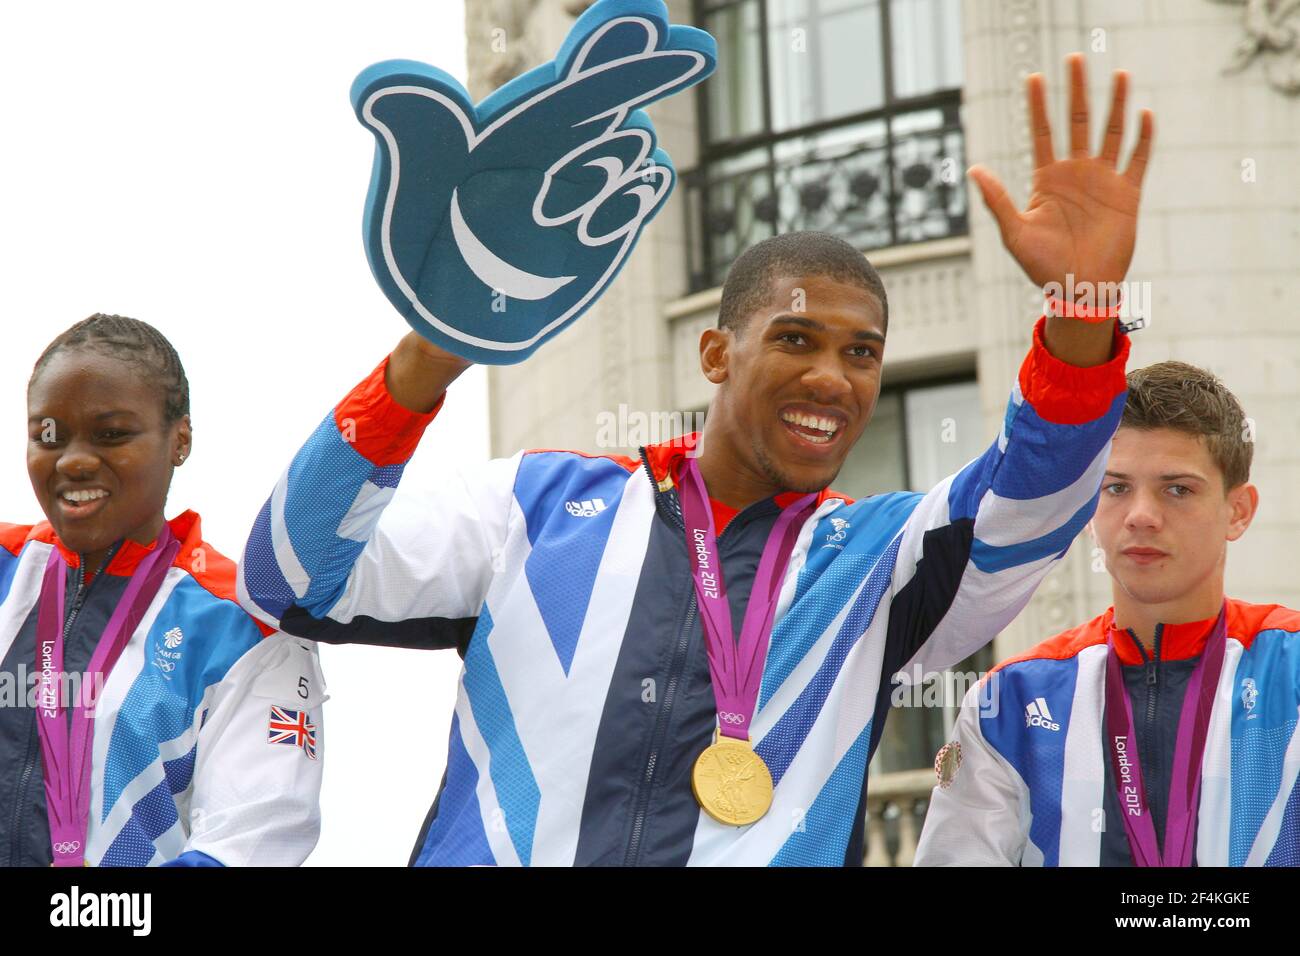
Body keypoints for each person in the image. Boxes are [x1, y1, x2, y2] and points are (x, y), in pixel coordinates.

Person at [238, 55, 1151, 865]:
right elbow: (293, 576)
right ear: (716, 356)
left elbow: (1032, 498)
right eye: (797, 339)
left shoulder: (886, 562)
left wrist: (1080, 313)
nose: (833, 379)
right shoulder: (539, 503)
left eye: (862, 353)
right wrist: (429, 356)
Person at [915, 362, 1300, 867]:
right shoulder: (1009, 701)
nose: (1141, 514)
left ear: (1238, 511)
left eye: (1177, 488)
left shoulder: (1291, 670)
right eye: (1116, 487)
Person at [0, 314, 325, 866]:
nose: (74, 460)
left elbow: (246, 847)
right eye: (48, 435)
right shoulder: (7, 566)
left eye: (112, 434)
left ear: (180, 440)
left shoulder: (247, 626)